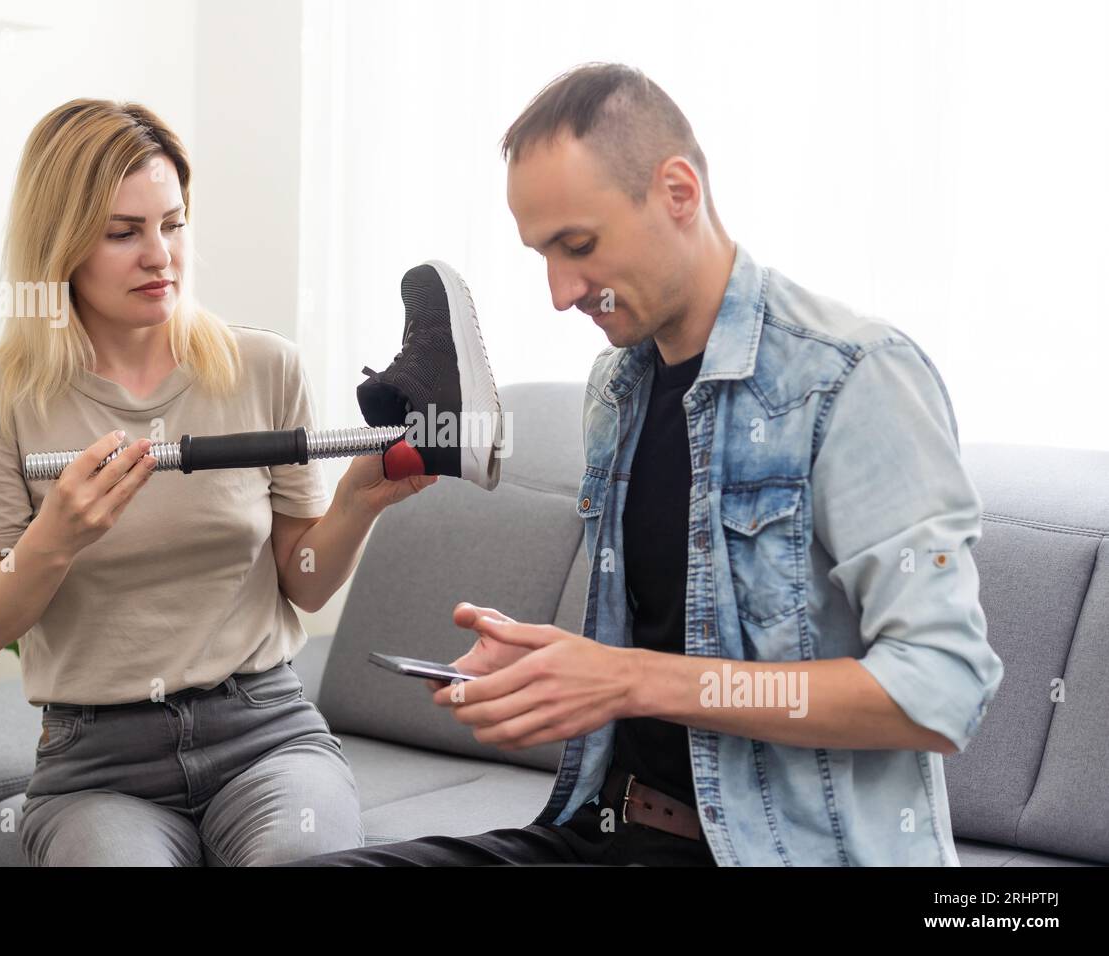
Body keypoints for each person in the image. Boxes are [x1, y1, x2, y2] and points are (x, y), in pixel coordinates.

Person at [293, 62, 1004, 866]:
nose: (560, 291)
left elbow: (941, 692)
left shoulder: (852, 378)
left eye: (579, 245)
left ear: (678, 191)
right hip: (605, 829)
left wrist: (631, 678)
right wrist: (559, 670)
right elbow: (669, 636)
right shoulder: (619, 388)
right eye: (542, 256)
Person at [0, 99, 436, 866]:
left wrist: (356, 502)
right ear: (59, 243)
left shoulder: (264, 367)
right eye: (122, 232)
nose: (159, 255)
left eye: (172, 224)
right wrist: (54, 541)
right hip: (97, 766)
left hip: (265, 732)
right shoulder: (0, 400)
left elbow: (302, 583)